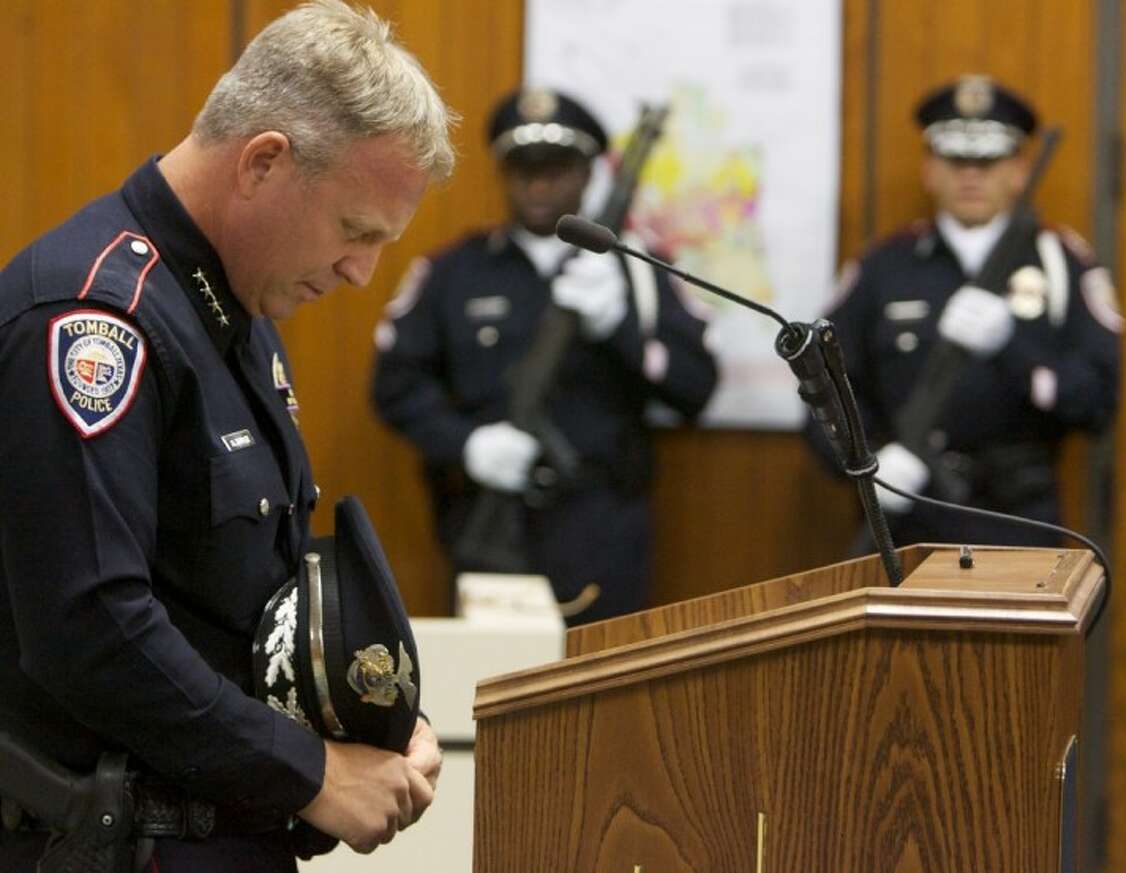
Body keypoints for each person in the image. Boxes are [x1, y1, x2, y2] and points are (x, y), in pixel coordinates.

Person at [0, 1, 456, 870]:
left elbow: (240, 609)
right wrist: (310, 770)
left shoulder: (232, 305)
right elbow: (91, 629)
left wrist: (376, 719)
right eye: (356, 231)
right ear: (264, 162)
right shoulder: (97, 317)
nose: (363, 271)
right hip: (119, 843)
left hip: (218, 829)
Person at [372, 88, 718, 625]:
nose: (538, 184)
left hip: (601, 526)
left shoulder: (639, 269)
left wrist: (620, 326)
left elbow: (696, 389)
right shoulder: (453, 272)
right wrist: (466, 444)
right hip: (487, 519)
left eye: (557, 168)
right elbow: (395, 385)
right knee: (487, 691)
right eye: (522, 169)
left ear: (587, 173)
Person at [804, 75, 1122, 547]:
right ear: (929, 169)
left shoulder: (1063, 263)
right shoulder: (882, 268)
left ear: (1018, 169)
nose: (971, 175)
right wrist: (868, 462)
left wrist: (1013, 348)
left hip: (1022, 522)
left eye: (988, 160)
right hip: (911, 519)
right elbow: (822, 390)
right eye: (955, 160)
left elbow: (1097, 401)